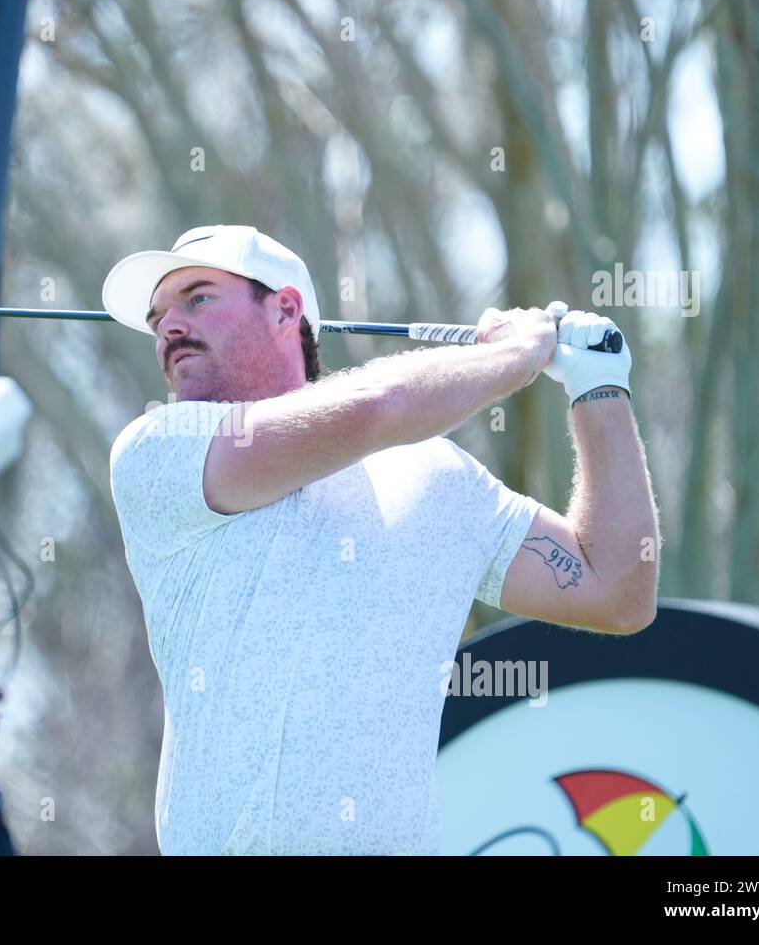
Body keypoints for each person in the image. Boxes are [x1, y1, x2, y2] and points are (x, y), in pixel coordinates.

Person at [101, 224, 660, 855]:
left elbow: (617, 591)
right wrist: (515, 354)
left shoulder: (438, 476)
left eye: (196, 298)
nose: (168, 326)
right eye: (157, 317)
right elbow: (377, 406)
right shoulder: (159, 450)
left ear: (285, 308)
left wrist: (599, 388)